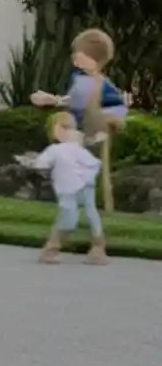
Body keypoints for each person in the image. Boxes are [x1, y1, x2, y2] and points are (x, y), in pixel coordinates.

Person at [33, 112, 109, 265]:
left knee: (92, 217)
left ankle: (98, 250)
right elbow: (41, 164)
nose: (71, 131)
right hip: (67, 189)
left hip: (86, 186)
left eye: (71, 127)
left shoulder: (80, 149)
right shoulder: (55, 150)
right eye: (65, 127)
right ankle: (51, 248)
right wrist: (38, 165)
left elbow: (88, 142)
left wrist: (98, 138)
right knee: (69, 220)